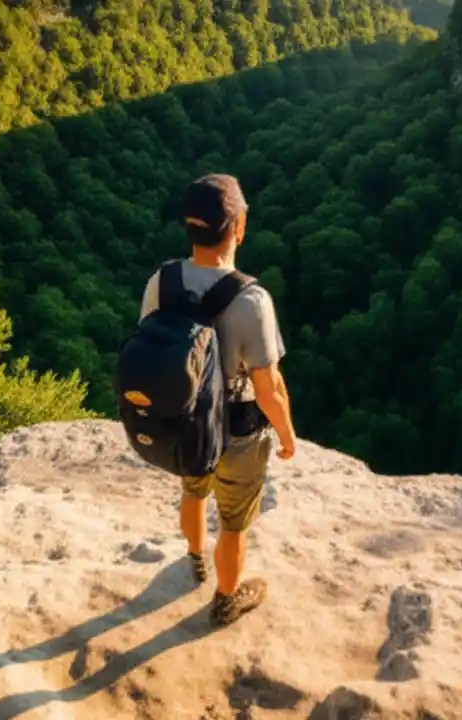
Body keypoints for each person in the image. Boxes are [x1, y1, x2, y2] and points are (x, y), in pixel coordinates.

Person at [138, 173, 297, 628]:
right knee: (233, 523)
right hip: (237, 433)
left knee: (193, 492)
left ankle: (194, 558)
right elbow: (270, 389)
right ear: (239, 229)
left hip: (184, 424)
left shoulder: (162, 281)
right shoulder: (251, 300)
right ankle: (225, 601)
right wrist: (286, 435)